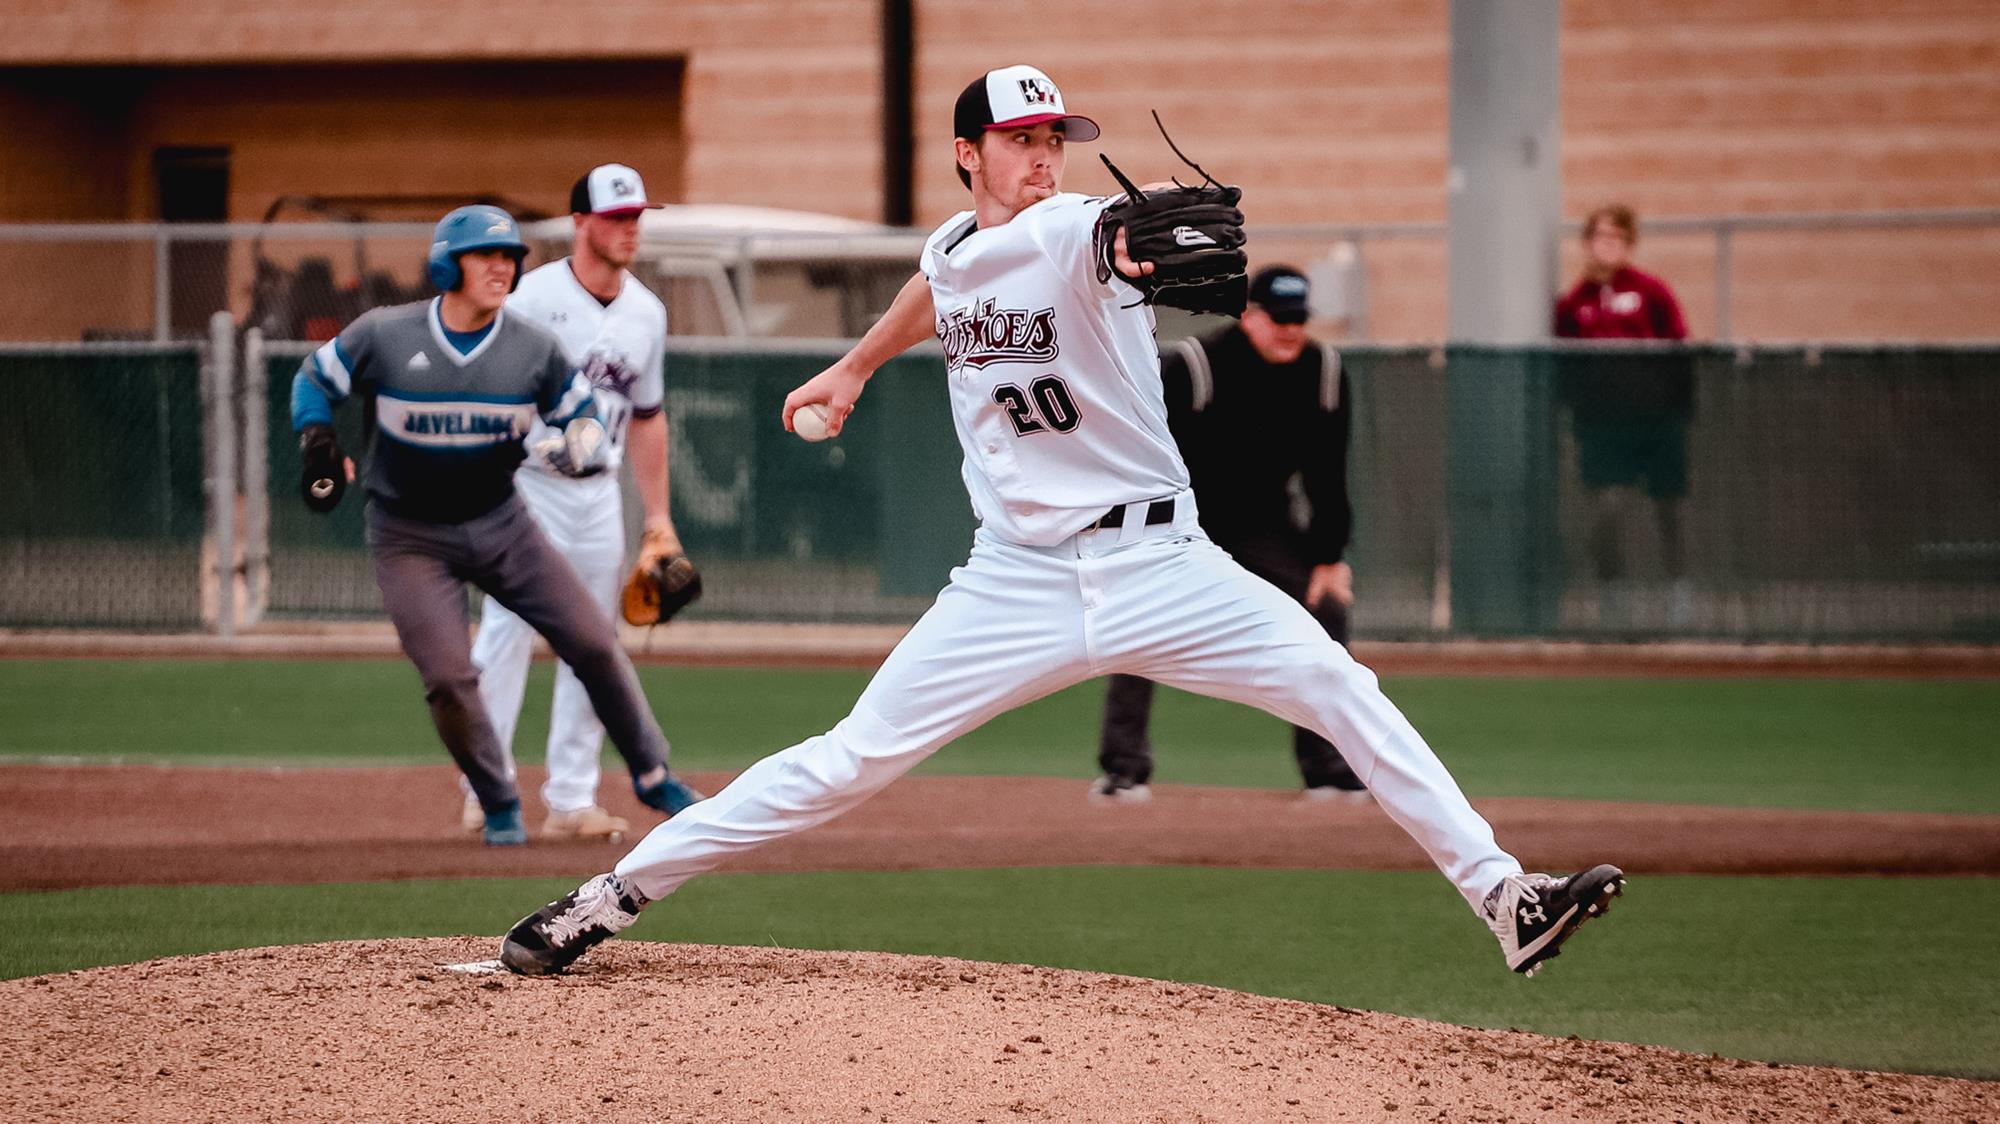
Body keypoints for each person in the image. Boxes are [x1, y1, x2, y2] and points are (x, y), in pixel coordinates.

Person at [499, 65, 1623, 977]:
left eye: (1054, 139)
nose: (1042, 158)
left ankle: (1503, 895)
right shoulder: (953, 245)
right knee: (841, 764)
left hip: (1164, 562)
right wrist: (849, 368)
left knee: (1340, 685)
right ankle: (613, 893)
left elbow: (1109, 239)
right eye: (1021, 140)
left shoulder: (1075, 227)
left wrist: (1130, 246)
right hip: (1012, 583)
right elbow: (936, 278)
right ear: (966, 153)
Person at [290, 203, 701, 847]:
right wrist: (317, 440)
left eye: (511, 257)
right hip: (409, 536)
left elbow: (584, 415)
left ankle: (653, 775)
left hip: (501, 523)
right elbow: (315, 378)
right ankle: (496, 798)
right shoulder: (388, 335)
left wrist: (583, 443)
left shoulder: (530, 349)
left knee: (593, 642)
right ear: (447, 265)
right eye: (488, 255)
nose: (503, 268)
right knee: (451, 677)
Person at [462, 164, 698, 843]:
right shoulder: (530, 300)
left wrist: (658, 516)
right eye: (617, 218)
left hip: (597, 495)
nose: (630, 230)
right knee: (506, 632)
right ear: (580, 224)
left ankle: (571, 797)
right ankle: (488, 785)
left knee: (593, 642)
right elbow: (483, 385)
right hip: (524, 486)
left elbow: (649, 416)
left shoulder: (647, 312)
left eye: (636, 218)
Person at [1095, 264, 1367, 804]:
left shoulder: (1325, 371)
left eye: (1299, 320)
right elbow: (1143, 454)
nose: (1291, 331)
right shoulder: (1196, 365)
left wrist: (1329, 558)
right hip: (1183, 520)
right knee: (1139, 625)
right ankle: (1123, 769)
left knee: (1326, 611)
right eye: (1278, 319)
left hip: (1265, 523)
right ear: (1248, 316)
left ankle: (1328, 768)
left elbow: (1328, 476)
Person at [1553, 204, 1694, 623]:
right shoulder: (1575, 303)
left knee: (1670, 508)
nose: (1607, 247)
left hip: (1655, 421)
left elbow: (1678, 349)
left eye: (1616, 238)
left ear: (1629, 245)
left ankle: (1678, 597)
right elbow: (1564, 363)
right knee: (1608, 510)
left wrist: (1677, 408)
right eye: (1599, 237)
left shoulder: (1652, 292)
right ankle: (1612, 601)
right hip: (1604, 425)